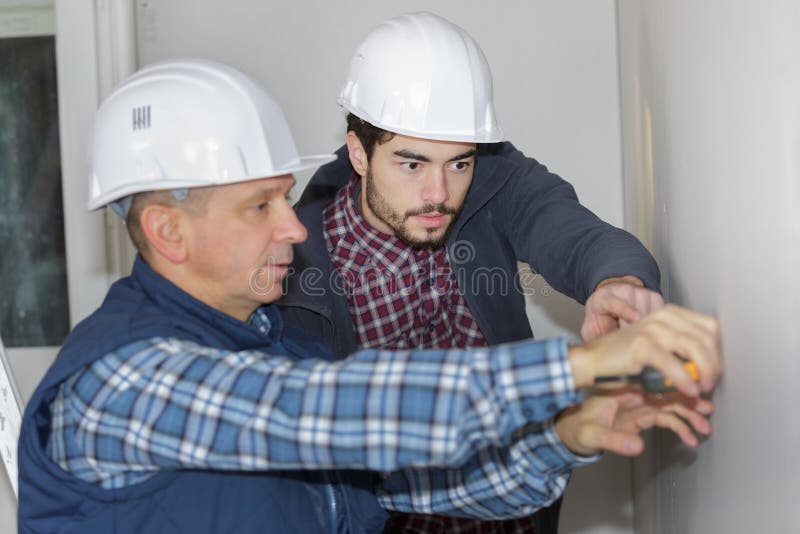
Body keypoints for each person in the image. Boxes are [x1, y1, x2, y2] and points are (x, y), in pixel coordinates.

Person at [17, 59, 720, 534]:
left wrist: (567, 436)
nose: (294, 226)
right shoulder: (121, 381)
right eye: (260, 207)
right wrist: (580, 366)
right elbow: (327, 409)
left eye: (286, 199)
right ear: (168, 229)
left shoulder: (277, 344)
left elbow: (414, 488)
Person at [278, 11, 680, 533]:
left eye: (458, 163)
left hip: (514, 511)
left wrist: (617, 285)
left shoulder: (496, 180)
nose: (438, 194)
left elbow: (574, 234)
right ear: (358, 152)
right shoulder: (296, 265)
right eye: (411, 164)